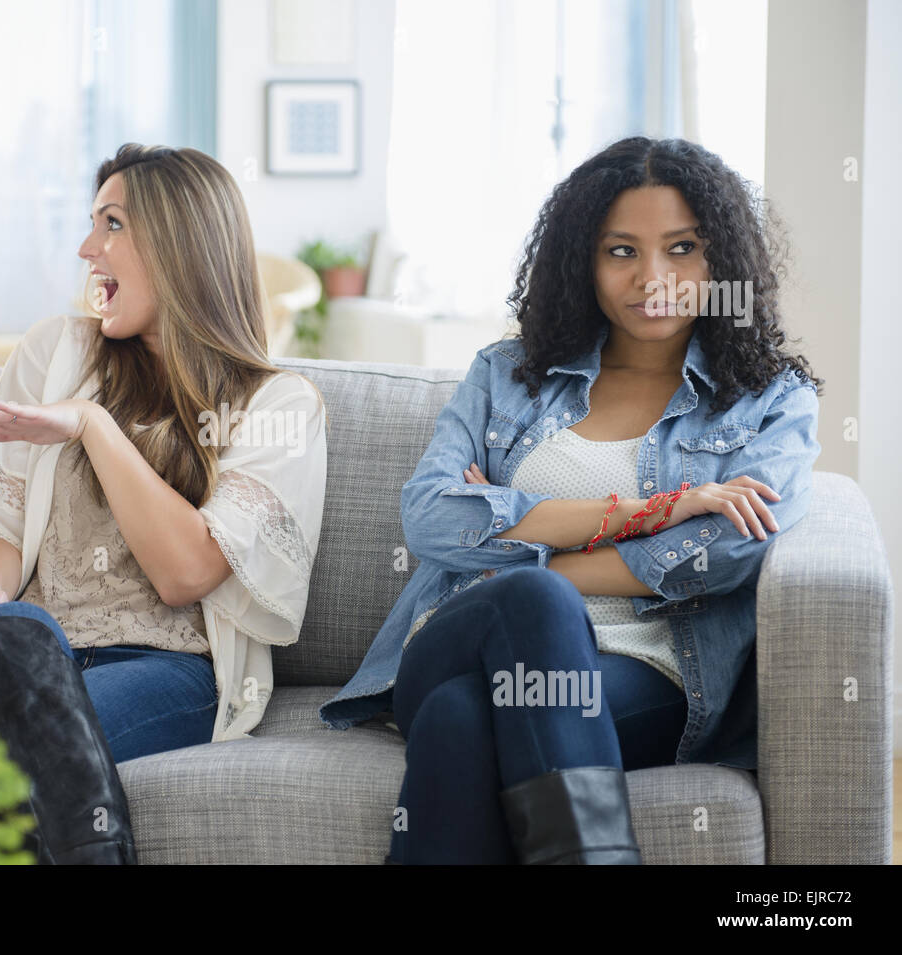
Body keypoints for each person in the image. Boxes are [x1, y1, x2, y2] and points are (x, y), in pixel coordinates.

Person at [321, 137, 823, 865]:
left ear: (722, 263)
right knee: (530, 609)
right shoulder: (506, 375)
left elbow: (731, 546)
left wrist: (532, 557)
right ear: (582, 261)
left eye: (682, 248)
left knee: (464, 719)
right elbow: (430, 516)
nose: (654, 277)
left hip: (647, 671)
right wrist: (651, 512)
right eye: (622, 251)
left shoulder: (772, 401)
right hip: (457, 641)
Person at [0, 144, 328, 864]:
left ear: (181, 243)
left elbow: (186, 572)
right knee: (3, 631)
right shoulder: (55, 350)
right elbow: (1, 525)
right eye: (91, 224)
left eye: (111, 223)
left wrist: (93, 424)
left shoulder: (279, 404)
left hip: (165, 666)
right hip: (27, 650)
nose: (87, 249)